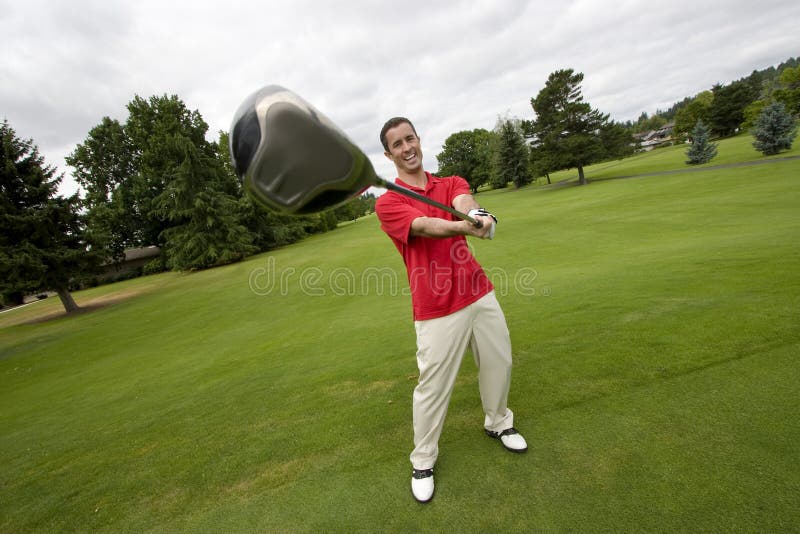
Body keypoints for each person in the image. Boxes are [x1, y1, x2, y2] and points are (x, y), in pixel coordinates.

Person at [374, 117, 527, 504]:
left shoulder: (450, 182)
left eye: (410, 138)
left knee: (499, 361)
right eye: (397, 144)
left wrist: (476, 214)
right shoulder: (388, 202)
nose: (407, 147)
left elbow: (463, 200)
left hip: (477, 290)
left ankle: (498, 423)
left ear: (419, 140)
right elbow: (424, 225)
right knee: (432, 387)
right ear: (389, 154)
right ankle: (423, 460)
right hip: (436, 305)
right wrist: (465, 228)